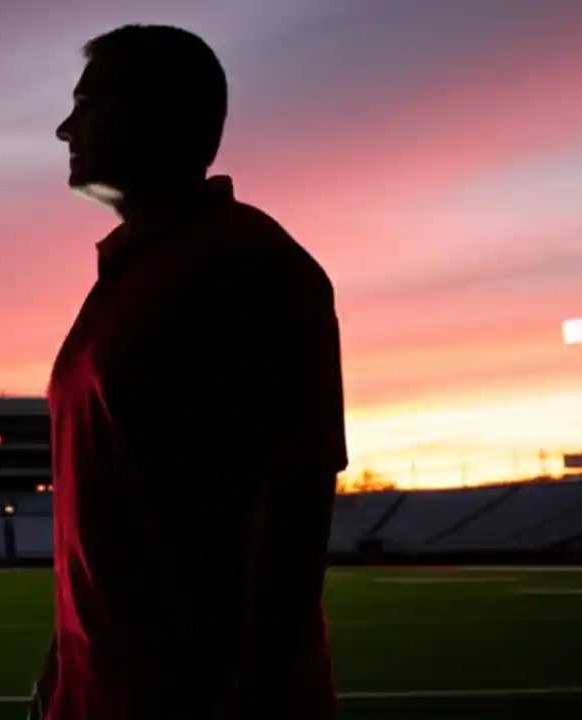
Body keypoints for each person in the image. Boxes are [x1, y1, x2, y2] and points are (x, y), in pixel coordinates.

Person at [32, 24, 349, 719]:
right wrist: (62, 668)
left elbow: (293, 501)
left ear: (154, 112)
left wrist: (254, 700)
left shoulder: (248, 265)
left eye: (87, 103)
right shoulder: (127, 274)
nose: (64, 127)